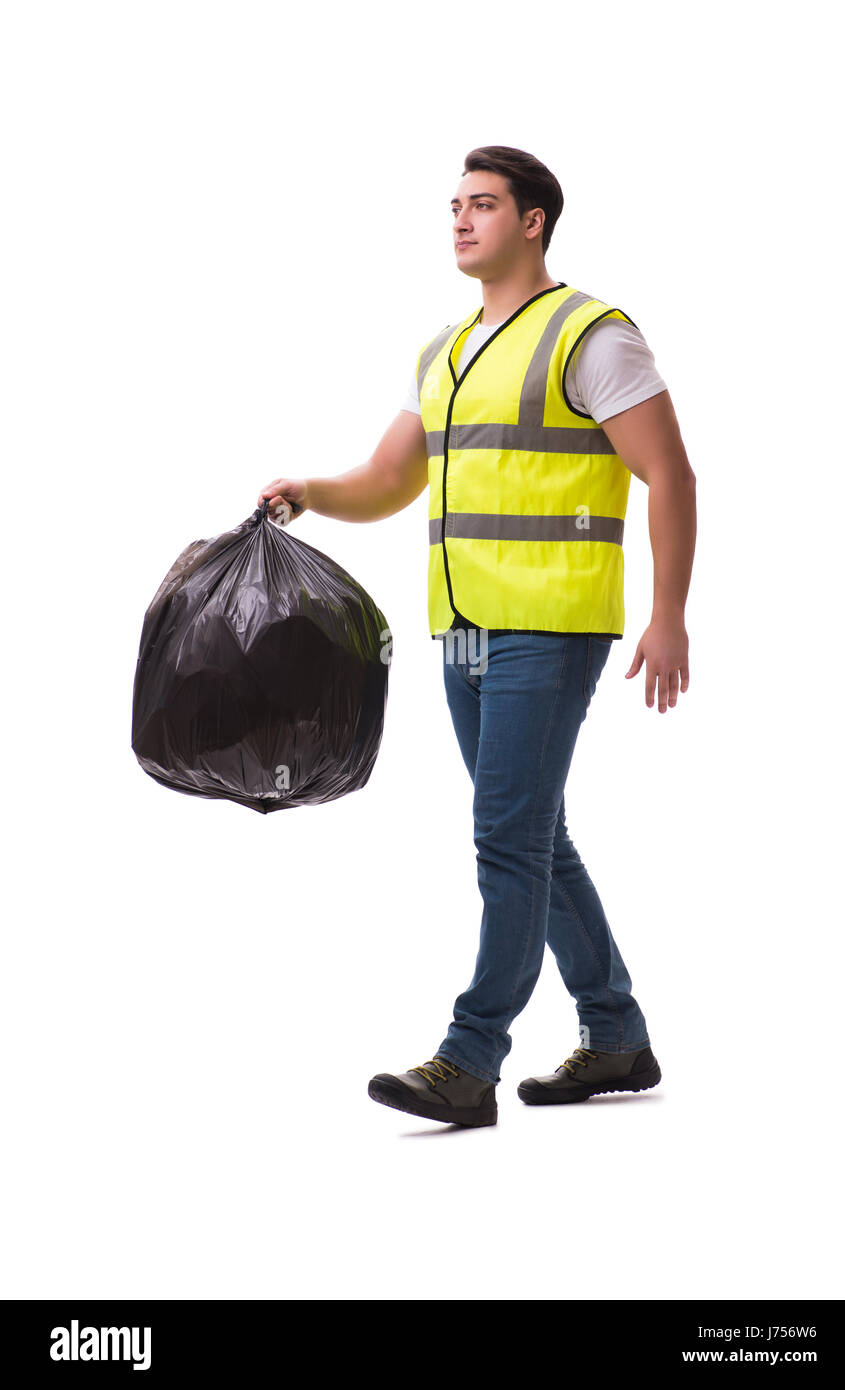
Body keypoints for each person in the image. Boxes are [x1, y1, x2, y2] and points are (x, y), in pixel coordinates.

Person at [258, 145, 696, 1130]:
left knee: (505, 836)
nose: (461, 220)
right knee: (535, 834)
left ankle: (469, 1058)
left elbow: (671, 474)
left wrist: (669, 614)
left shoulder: (593, 335)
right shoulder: (446, 352)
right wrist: (312, 495)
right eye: (454, 205)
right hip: (462, 625)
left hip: (551, 620)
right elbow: (390, 477)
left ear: (533, 221)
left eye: (484, 205)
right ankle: (616, 1033)